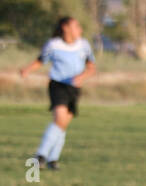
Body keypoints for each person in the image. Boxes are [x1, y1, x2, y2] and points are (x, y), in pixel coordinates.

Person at [18, 17, 95, 171]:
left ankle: (53, 159)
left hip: (74, 89)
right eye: (76, 26)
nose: (80, 29)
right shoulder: (53, 45)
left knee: (62, 125)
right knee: (59, 120)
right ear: (65, 27)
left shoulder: (84, 45)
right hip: (58, 86)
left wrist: (82, 76)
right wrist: (27, 70)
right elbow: (40, 60)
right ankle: (40, 156)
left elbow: (91, 67)